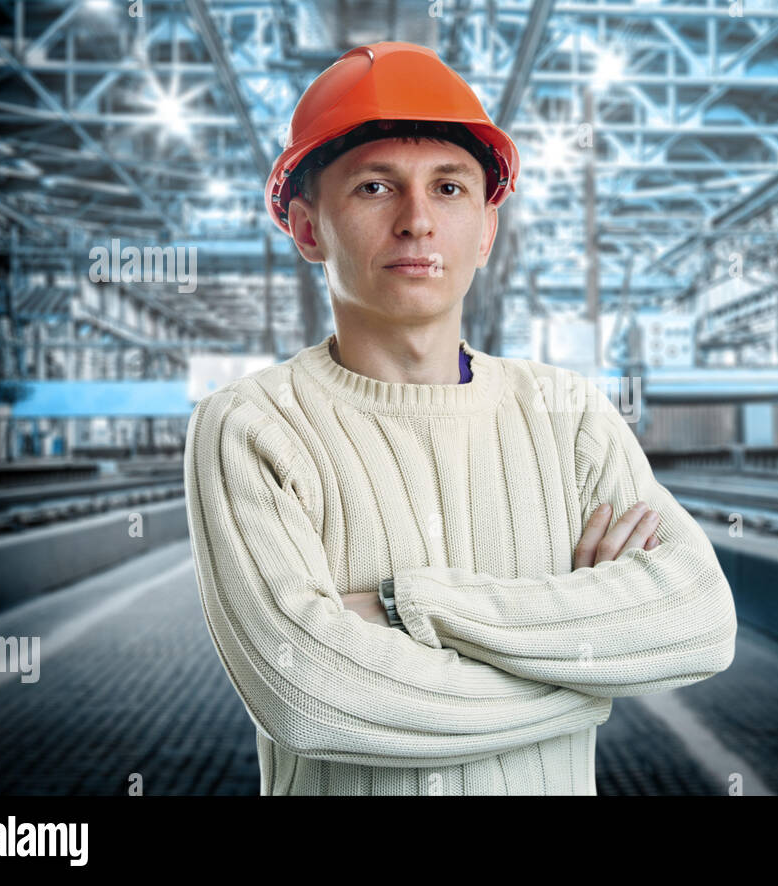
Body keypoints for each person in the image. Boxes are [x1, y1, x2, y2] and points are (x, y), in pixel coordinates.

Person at [183, 41, 737, 796]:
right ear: (308, 230)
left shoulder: (566, 414)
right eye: (376, 187)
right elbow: (309, 696)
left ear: (486, 230)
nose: (417, 221)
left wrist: (404, 605)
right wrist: (586, 680)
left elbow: (696, 619)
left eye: (448, 188)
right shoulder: (251, 427)